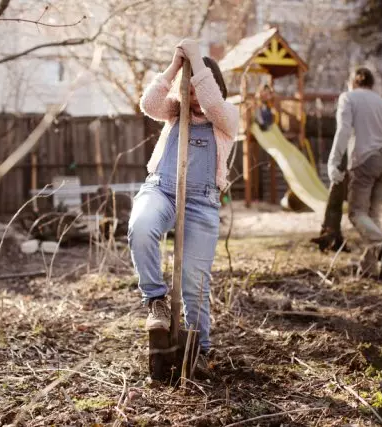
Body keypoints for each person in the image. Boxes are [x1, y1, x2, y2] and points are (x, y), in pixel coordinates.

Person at [128, 39, 239, 369]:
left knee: (195, 281)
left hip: (202, 204)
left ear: (211, 86)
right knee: (141, 227)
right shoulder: (174, 113)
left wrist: (197, 62)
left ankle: (199, 349)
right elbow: (148, 103)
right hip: (161, 190)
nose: (192, 96)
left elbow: (213, 105)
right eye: (186, 89)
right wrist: (176, 65)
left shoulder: (226, 118)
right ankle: (156, 301)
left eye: (198, 89)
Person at [327, 67, 382, 280]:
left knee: (356, 213)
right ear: (372, 84)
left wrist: (334, 162)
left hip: (364, 161)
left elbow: (343, 130)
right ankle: (369, 268)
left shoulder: (348, 97)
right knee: (372, 216)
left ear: (353, 82)